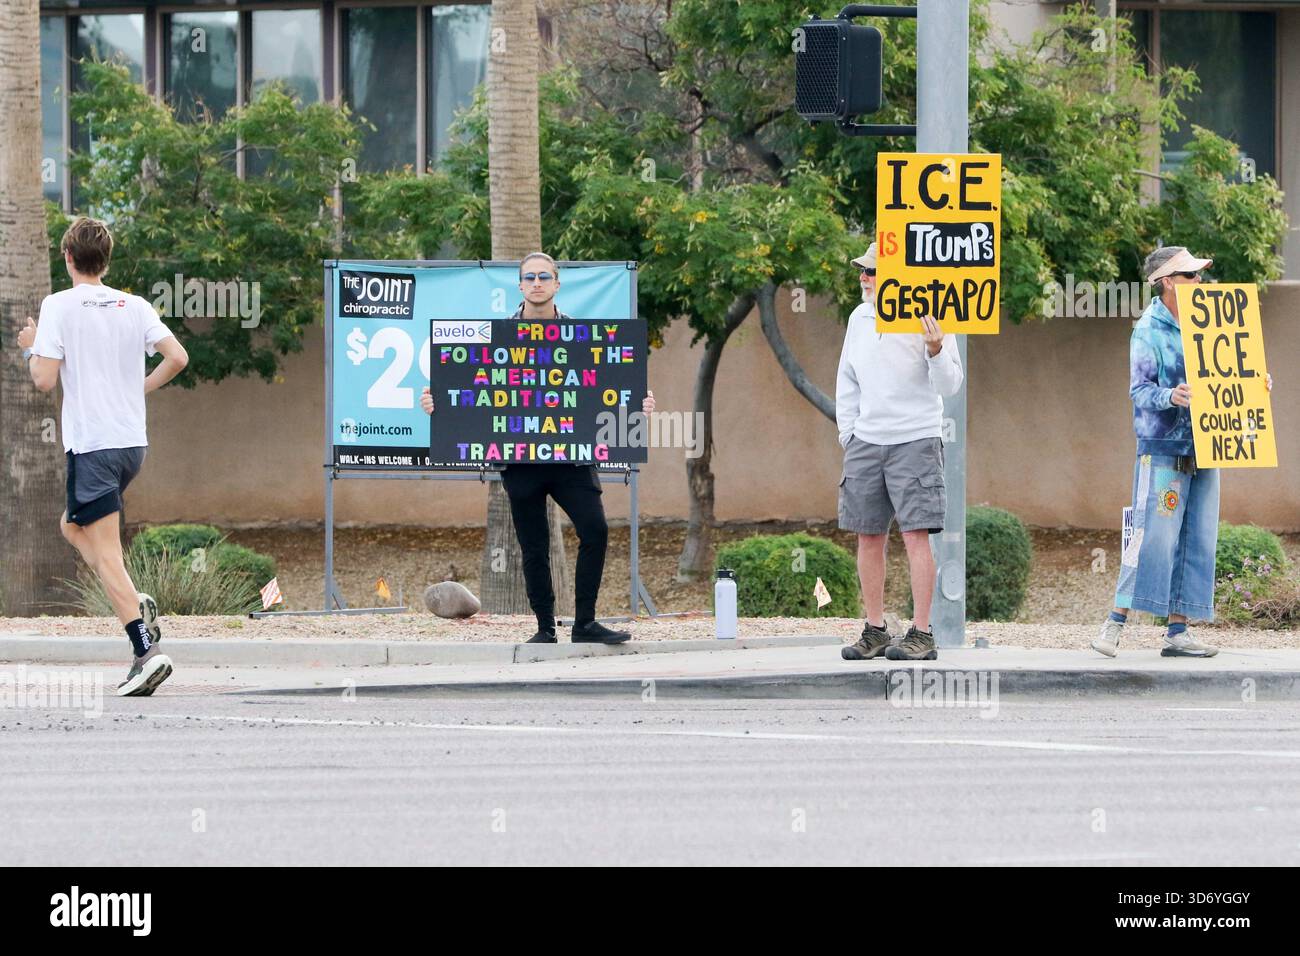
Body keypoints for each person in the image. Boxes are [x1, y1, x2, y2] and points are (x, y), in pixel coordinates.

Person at [422, 252, 654, 644]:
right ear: (519, 285)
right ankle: (545, 627)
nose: (536, 283)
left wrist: (639, 406)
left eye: (544, 276)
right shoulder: (497, 336)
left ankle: (584, 624)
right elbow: (469, 391)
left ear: (557, 284)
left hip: (572, 460)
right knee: (534, 547)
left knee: (595, 530)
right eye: (529, 277)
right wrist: (436, 406)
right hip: (521, 462)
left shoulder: (583, 338)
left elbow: (611, 391)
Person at [16, 216, 189, 695]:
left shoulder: (58, 305)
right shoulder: (133, 305)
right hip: (132, 444)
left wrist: (31, 348)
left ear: (68, 258)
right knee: (71, 526)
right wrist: (140, 388)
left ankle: (145, 651)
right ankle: (134, 601)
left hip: (92, 446)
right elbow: (177, 357)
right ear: (105, 260)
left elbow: (44, 379)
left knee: (107, 553)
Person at [1092, 246, 1272, 659]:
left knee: (1198, 539)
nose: (1199, 280)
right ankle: (1114, 624)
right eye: (1189, 275)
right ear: (1167, 282)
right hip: (1162, 449)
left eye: (1199, 274)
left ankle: (1178, 631)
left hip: (1208, 445)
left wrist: (1254, 387)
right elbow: (1138, 390)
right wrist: (1170, 395)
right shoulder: (1148, 329)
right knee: (1152, 537)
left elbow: (1232, 375)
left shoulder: (1213, 324)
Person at [835, 242, 963, 662]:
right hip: (867, 441)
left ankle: (922, 633)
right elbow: (847, 379)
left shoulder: (930, 312)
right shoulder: (858, 319)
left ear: (894, 275)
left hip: (916, 439)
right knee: (868, 536)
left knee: (915, 536)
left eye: (871, 271)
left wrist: (936, 348)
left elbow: (951, 385)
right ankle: (875, 629)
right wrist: (849, 433)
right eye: (862, 271)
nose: (863, 277)